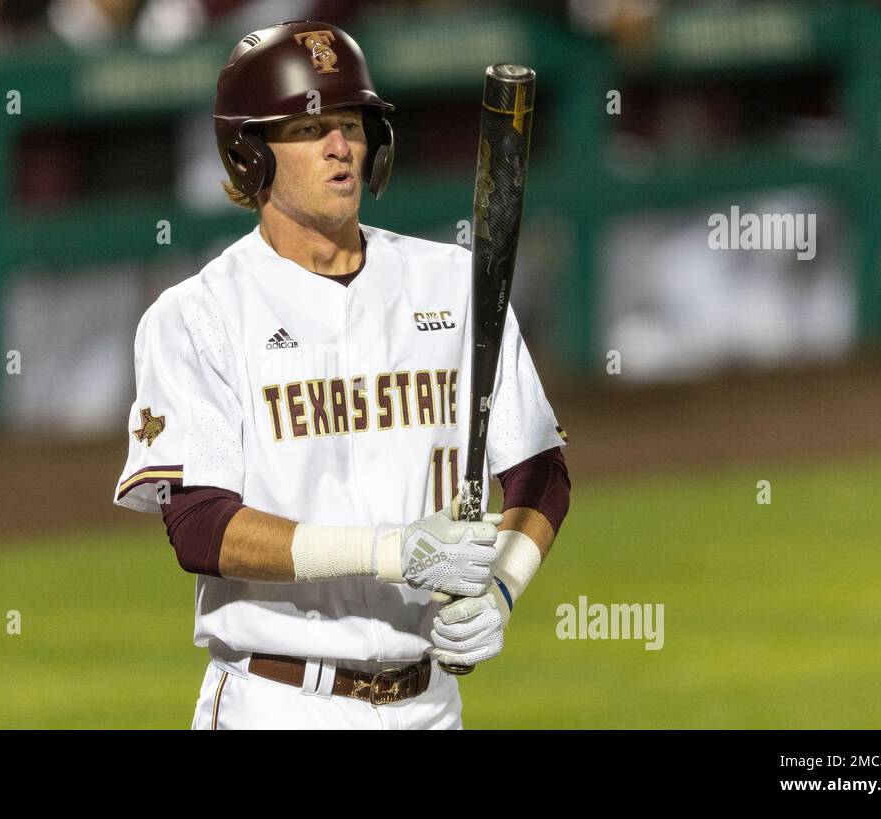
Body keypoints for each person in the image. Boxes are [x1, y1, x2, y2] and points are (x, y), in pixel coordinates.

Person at [113, 20, 570, 730]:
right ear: (249, 154)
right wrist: (392, 551)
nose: (339, 148)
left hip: (430, 704)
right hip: (277, 702)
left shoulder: (454, 284)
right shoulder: (198, 315)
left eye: (353, 125)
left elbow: (540, 468)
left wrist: (503, 589)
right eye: (307, 129)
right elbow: (202, 528)